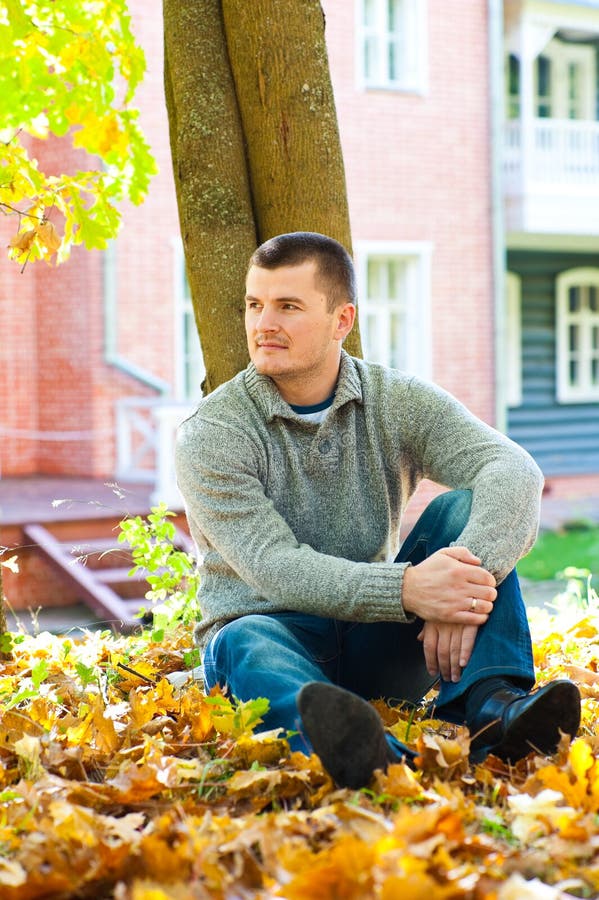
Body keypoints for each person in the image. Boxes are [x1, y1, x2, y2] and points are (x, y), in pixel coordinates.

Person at [175, 231, 580, 789]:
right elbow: (274, 565)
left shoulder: (395, 400)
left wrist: (462, 585)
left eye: (288, 306)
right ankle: (375, 755)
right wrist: (409, 590)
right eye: (254, 304)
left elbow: (513, 471)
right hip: (271, 635)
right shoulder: (214, 432)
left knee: (465, 510)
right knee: (245, 640)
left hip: (375, 637)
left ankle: (493, 706)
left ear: (342, 320)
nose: (263, 323)